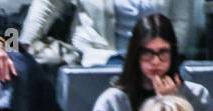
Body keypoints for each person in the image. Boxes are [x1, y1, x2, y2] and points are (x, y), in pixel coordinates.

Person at [21, 0, 199, 67]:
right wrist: (25, 42)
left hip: (156, 61)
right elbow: (48, 3)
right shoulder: (5, 31)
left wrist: (163, 57)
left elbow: (180, 21)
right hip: (96, 58)